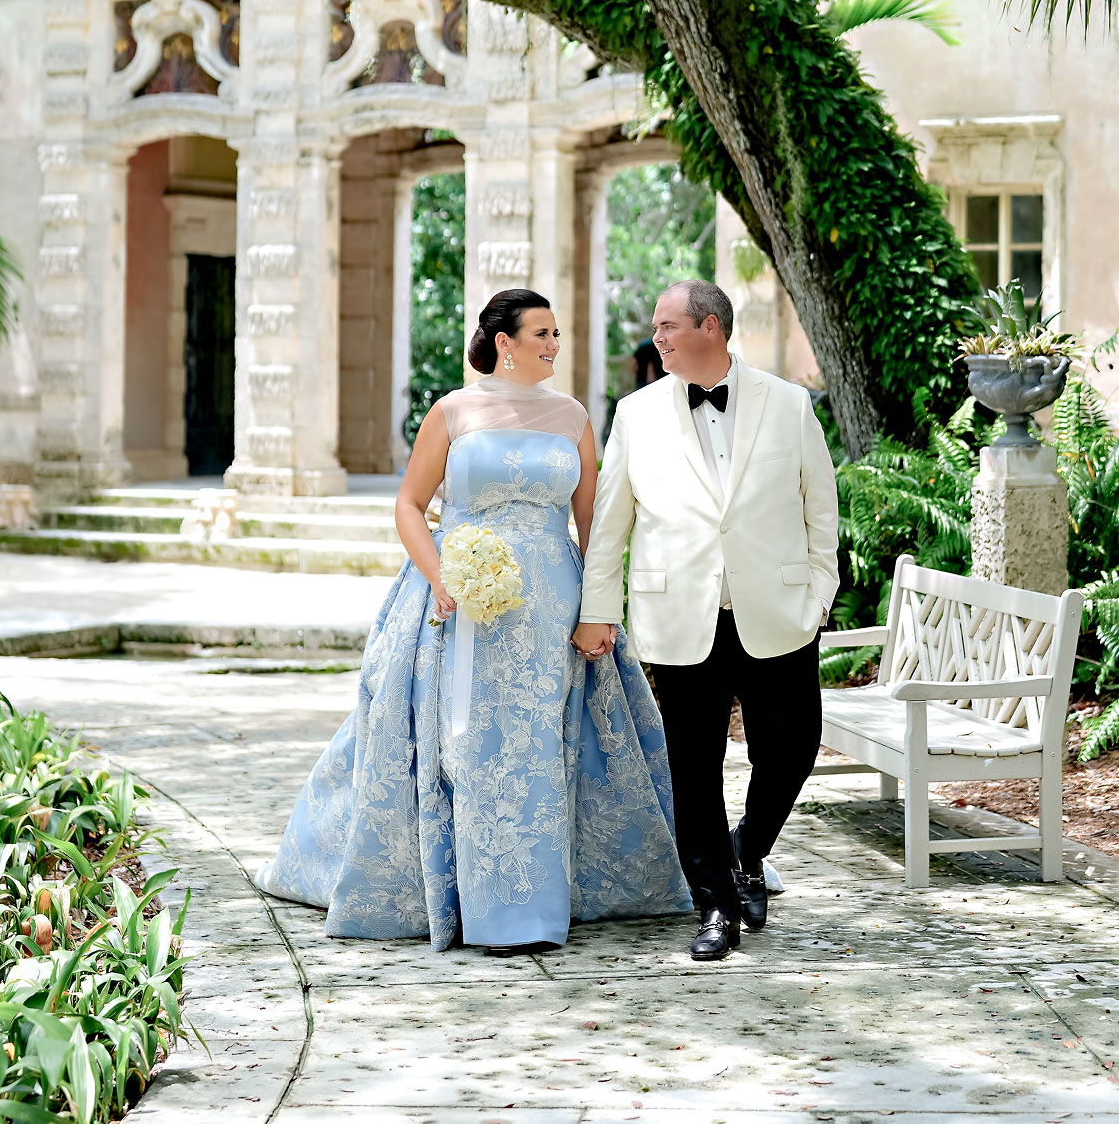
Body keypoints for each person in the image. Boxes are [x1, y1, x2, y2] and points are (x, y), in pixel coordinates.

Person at [257, 288, 691, 954]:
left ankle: (532, 909)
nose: (553, 344)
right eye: (541, 333)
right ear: (504, 342)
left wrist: (599, 609)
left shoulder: (573, 416)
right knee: (465, 745)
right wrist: (440, 576)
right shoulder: (453, 412)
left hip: (552, 607)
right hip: (457, 603)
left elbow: (593, 524)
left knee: (545, 744)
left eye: (556, 333)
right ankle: (466, 897)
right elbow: (409, 505)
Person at [573, 278, 839, 962]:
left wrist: (817, 596)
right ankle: (716, 905)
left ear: (711, 328)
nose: (655, 338)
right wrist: (597, 610)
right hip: (678, 614)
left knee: (792, 747)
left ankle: (748, 850)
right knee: (693, 767)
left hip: (776, 611)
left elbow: (821, 512)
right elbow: (610, 528)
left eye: (667, 326)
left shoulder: (789, 404)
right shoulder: (635, 414)